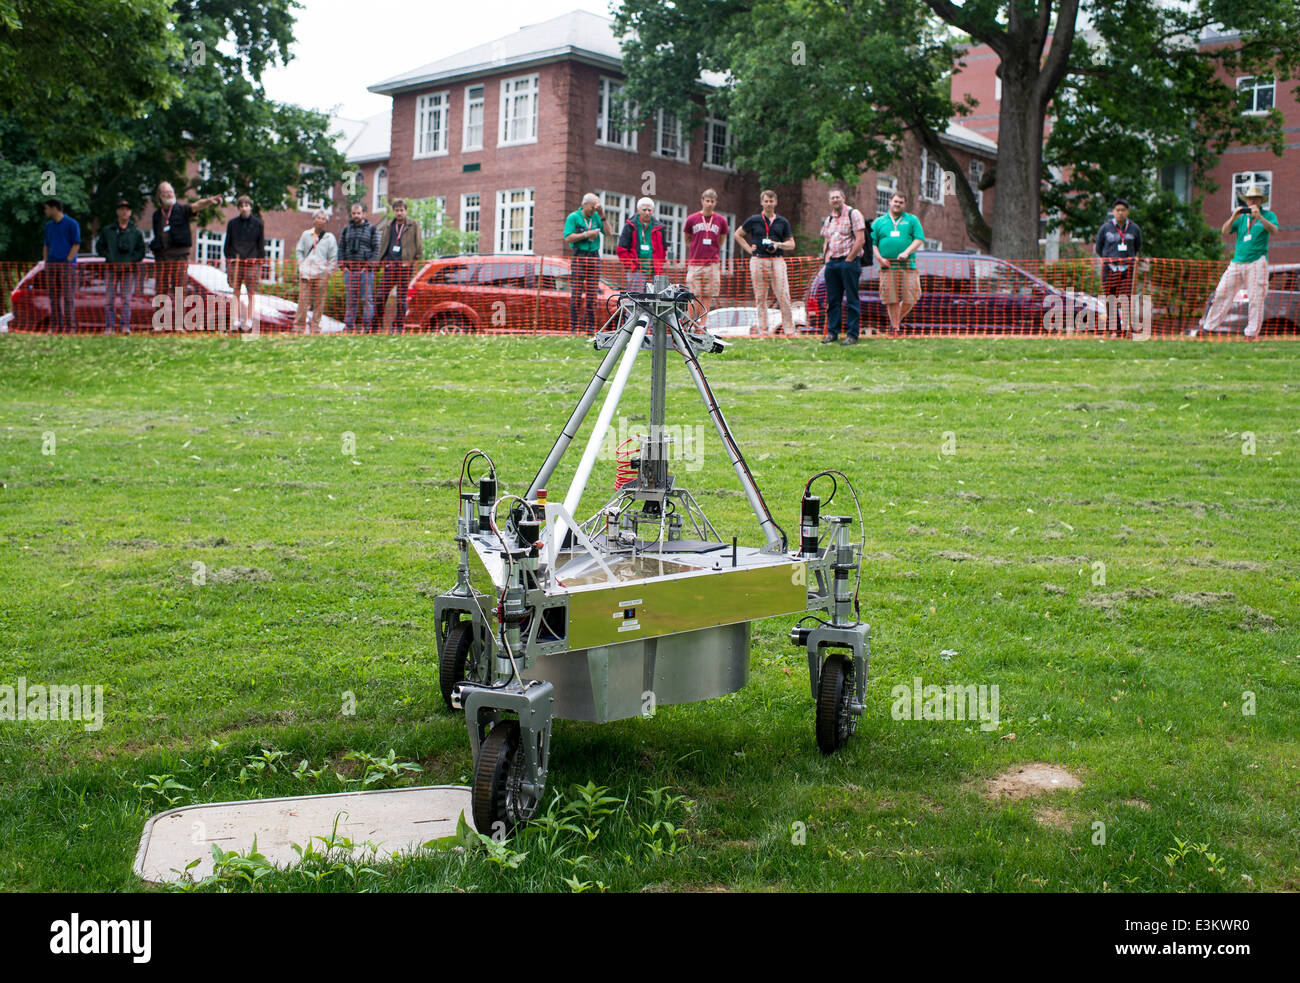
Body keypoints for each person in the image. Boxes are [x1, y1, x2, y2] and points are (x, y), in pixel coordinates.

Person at [1202, 185, 1278, 340]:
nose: (1252, 201)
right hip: (1237, 262)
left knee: (1256, 297)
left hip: (1257, 261)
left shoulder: (1268, 215)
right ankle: (1210, 328)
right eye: (1249, 198)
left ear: (1260, 201)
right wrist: (1234, 216)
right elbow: (1224, 231)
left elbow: (1274, 230)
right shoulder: (1242, 218)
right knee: (1222, 292)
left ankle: (1251, 333)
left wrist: (1261, 218)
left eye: (1255, 199)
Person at [150, 182, 222, 314]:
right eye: (165, 192)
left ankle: (178, 325)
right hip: (162, 257)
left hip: (179, 256)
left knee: (179, 289)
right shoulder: (156, 215)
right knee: (161, 290)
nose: (169, 194)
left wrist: (209, 201)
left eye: (171, 191)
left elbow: (197, 205)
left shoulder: (182, 209)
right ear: (159, 196)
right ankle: (160, 324)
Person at [734, 189, 795, 336]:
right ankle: (763, 330)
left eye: (771, 201)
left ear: (776, 202)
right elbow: (738, 234)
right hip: (758, 260)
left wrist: (778, 244)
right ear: (762, 202)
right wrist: (749, 249)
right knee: (760, 296)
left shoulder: (783, 222)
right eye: (766, 201)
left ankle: (789, 330)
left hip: (777, 260)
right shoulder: (754, 220)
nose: (768, 204)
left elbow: (792, 244)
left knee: (784, 295)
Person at [819, 186, 867, 345]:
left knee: (852, 300)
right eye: (832, 198)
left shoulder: (854, 214)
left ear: (843, 198)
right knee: (833, 300)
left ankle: (852, 335)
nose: (835, 200)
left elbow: (860, 240)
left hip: (849, 263)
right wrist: (827, 259)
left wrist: (849, 260)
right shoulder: (829, 219)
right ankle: (832, 333)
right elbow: (826, 239)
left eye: (837, 197)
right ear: (829, 201)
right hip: (832, 263)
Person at [871, 191, 925, 334]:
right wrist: (879, 259)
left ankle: (895, 321)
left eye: (901, 202)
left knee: (911, 297)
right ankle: (895, 328)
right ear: (890, 202)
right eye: (895, 201)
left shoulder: (912, 220)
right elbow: (873, 243)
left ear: (904, 204)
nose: (898, 204)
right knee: (891, 298)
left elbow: (919, 239)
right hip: (887, 266)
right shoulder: (879, 222)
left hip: (908, 265)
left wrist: (906, 252)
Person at [94, 199, 146, 335]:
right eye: (121, 209)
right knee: (109, 299)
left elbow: (141, 251)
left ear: (130, 212)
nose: (124, 211)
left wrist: (130, 260)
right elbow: (99, 247)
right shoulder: (108, 230)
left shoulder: (136, 232)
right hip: (111, 269)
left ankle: (125, 327)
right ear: (117, 211)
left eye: (127, 209)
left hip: (128, 271)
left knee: (126, 300)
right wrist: (109, 256)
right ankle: (109, 327)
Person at [563, 193, 611, 332]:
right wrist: (586, 235)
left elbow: (609, 233)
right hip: (580, 255)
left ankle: (590, 327)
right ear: (584, 204)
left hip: (594, 257)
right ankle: (574, 327)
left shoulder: (597, 216)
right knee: (577, 293)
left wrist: (602, 216)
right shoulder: (573, 217)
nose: (593, 210)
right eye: (592, 207)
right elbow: (568, 237)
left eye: (596, 208)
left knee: (592, 294)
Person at [1094, 198, 1141, 334]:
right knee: (1111, 300)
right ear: (1113, 212)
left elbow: (1137, 247)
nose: (1120, 213)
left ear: (1128, 212)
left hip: (1127, 270)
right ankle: (1114, 330)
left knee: (1126, 299)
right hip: (1109, 270)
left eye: (1123, 210)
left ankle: (1126, 329)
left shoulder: (1134, 229)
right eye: (1117, 210)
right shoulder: (1105, 228)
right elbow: (1099, 247)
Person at [376, 199, 421, 332]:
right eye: (397, 210)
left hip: (405, 266)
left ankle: (398, 327)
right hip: (390, 266)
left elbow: (418, 244)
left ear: (406, 211)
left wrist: (413, 260)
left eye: (401, 210)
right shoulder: (389, 225)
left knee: (401, 299)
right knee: (380, 296)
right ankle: (376, 325)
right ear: (393, 211)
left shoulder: (413, 225)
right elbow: (384, 244)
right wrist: (382, 261)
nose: (399, 213)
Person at [223, 195, 265, 333]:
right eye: (242, 206)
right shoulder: (232, 224)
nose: (244, 208)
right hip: (236, 262)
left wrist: (259, 261)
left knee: (251, 292)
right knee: (235, 292)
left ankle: (249, 320)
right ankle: (235, 320)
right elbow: (227, 243)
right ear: (239, 208)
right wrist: (229, 258)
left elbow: (261, 244)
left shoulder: (258, 224)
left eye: (247, 205)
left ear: (251, 207)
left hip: (252, 263)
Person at [684, 189, 729, 314]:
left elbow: (721, 240)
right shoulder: (692, 219)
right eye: (707, 200)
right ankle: (691, 323)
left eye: (712, 201)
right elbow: (687, 238)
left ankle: (702, 324)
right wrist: (695, 248)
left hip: (712, 263)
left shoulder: (721, 221)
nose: (709, 203)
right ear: (702, 201)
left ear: (715, 203)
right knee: (693, 295)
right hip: (695, 263)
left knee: (708, 295)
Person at [293, 210, 337, 333]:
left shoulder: (330, 238)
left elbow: (333, 257)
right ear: (314, 219)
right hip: (306, 273)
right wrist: (301, 264)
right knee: (303, 300)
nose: (320, 220)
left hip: (321, 273)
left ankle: (315, 326)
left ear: (326, 221)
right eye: (318, 217)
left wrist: (329, 272)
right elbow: (299, 250)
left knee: (319, 302)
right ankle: (299, 326)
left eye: (323, 219)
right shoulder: (306, 235)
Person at [41, 198, 81, 333]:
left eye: (46, 208)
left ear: (54, 208)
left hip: (66, 265)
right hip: (52, 264)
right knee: (53, 297)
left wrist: (68, 260)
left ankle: (70, 327)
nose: (45, 211)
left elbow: (76, 243)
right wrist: (46, 261)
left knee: (68, 297)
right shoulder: (48, 226)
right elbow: (46, 245)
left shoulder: (71, 224)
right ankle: (56, 326)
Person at [339, 202, 379, 333]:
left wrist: (368, 266)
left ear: (364, 214)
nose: (356, 216)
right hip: (349, 270)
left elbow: (376, 249)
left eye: (358, 213)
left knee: (367, 299)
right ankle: (349, 327)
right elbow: (341, 248)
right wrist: (342, 265)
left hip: (365, 271)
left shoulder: (372, 229)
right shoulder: (346, 230)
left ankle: (367, 327)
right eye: (354, 213)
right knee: (350, 300)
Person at [616, 197, 667, 290]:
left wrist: (659, 265)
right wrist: (631, 265)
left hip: (655, 271)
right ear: (638, 210)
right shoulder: (629, 226)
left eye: (649, 210)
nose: (647, 213)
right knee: (636, 299)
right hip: (637, 270)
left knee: (657, 300)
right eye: (644, 210)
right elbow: (621, 249)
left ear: (653, 211)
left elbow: (664, 249)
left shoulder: (660, 228)